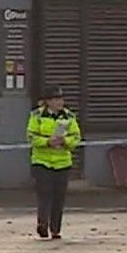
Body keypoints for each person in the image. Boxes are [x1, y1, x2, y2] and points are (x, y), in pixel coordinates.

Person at [26, 86, 82, 240]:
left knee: (59, 196)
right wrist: (47, 142)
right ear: (48, 102)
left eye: (61, 99)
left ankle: (55, 229)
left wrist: (65, 141)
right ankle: (42, 224)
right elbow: (31, 136)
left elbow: (76, 137)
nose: (60, 102)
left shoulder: (69, 117)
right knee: (44, 193)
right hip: (42, 161)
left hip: (62, 162)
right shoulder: (37, 115)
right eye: (56, 99)